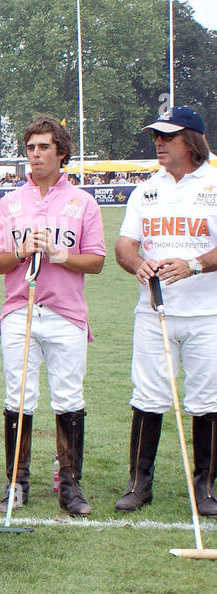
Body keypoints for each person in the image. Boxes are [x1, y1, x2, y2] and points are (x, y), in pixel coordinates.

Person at [0, 116, 105, 516]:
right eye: (31, 148)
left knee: (69, 398)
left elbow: (96, 262)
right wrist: (22, 251)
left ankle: (70, 484)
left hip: (65, 312)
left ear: (62, 152)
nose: (35, 155)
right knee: (18, 397)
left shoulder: (83, 202)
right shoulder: (11, 202)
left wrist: (59, 254)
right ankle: (16, 482)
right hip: (21, 310)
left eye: (43, 148)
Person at [113, 105, 217, 517]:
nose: (159, 142)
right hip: (153, 310)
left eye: (168, 136)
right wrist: (137, 264)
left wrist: (194, 264)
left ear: (192, 140)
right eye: (156, 135)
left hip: (207, 311)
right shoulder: (146, 189)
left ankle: (206, 487)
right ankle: (139, 484)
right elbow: (125, 245)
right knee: (148, 395)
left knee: (207, 399)